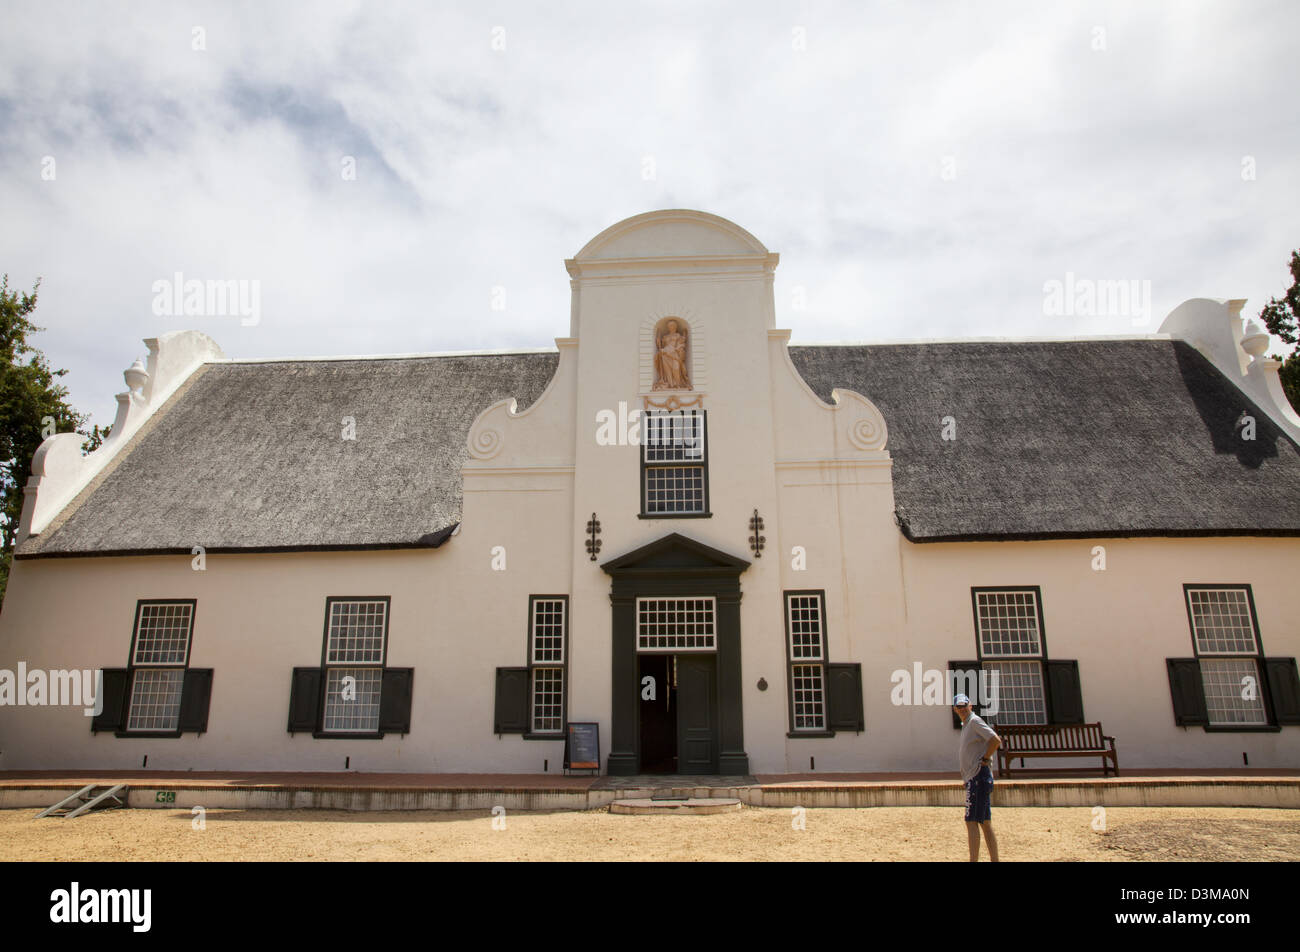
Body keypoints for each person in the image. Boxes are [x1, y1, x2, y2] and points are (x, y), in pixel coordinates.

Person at [953, 693, 1000, 862]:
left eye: (964, 705)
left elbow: (995, 740)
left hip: (978, 777)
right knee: (984, 822)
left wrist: (986, 759)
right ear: (955, 709)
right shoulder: (967, 724)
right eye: (959, 707)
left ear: (970, 705)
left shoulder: (974, 721)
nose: (962, 709)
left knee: (971, 820)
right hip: (974, 777)